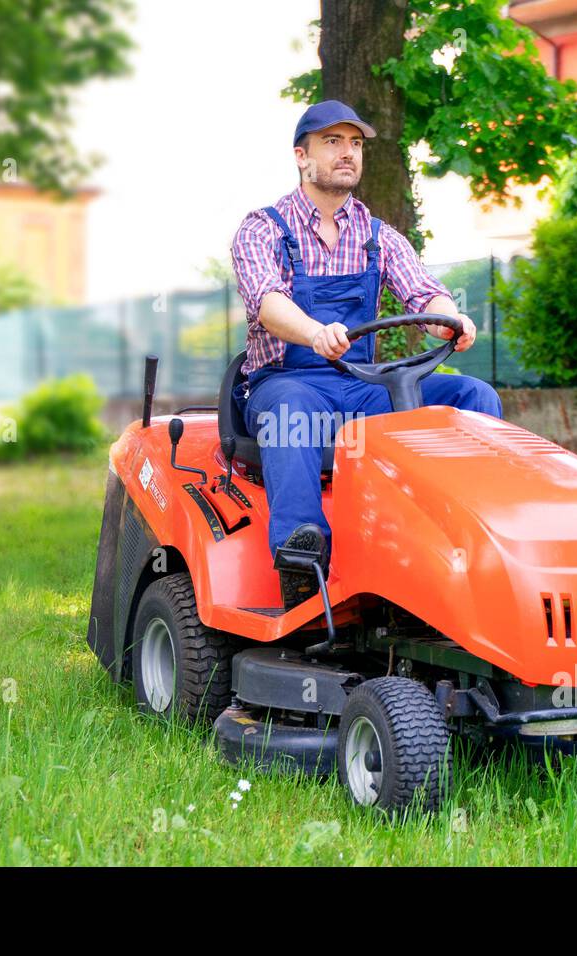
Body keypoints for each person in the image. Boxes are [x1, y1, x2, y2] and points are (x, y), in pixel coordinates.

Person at [230, 100, 503, 608]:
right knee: (293, 412)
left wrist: (452, 317)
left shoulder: (378, 235)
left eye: (355, 144)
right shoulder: (263, 229)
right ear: (301, 156)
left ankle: (470, 545)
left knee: (471, 394)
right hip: (285, 382)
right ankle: (302, 562)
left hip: (361, 388)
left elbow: (425, 294)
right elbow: (267, 303)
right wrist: (314, 333)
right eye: (332, 142)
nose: (347, 153)